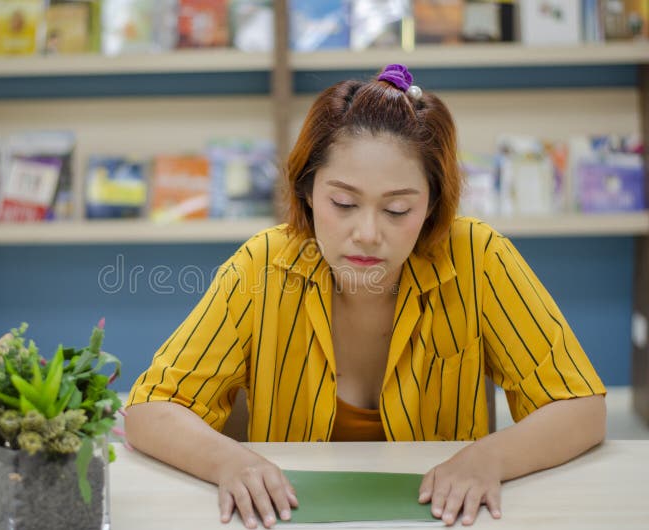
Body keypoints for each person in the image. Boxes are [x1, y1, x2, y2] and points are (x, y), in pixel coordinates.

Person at [124, 64, 607, 528]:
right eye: (344, 203)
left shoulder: (478, 256)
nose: (368, 233)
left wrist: (489, 459)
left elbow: (580, 407)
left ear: (433, 204)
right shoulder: (263, 265)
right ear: (308, 189)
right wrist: (230, 462)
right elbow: (151, 410)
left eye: (398, 209)